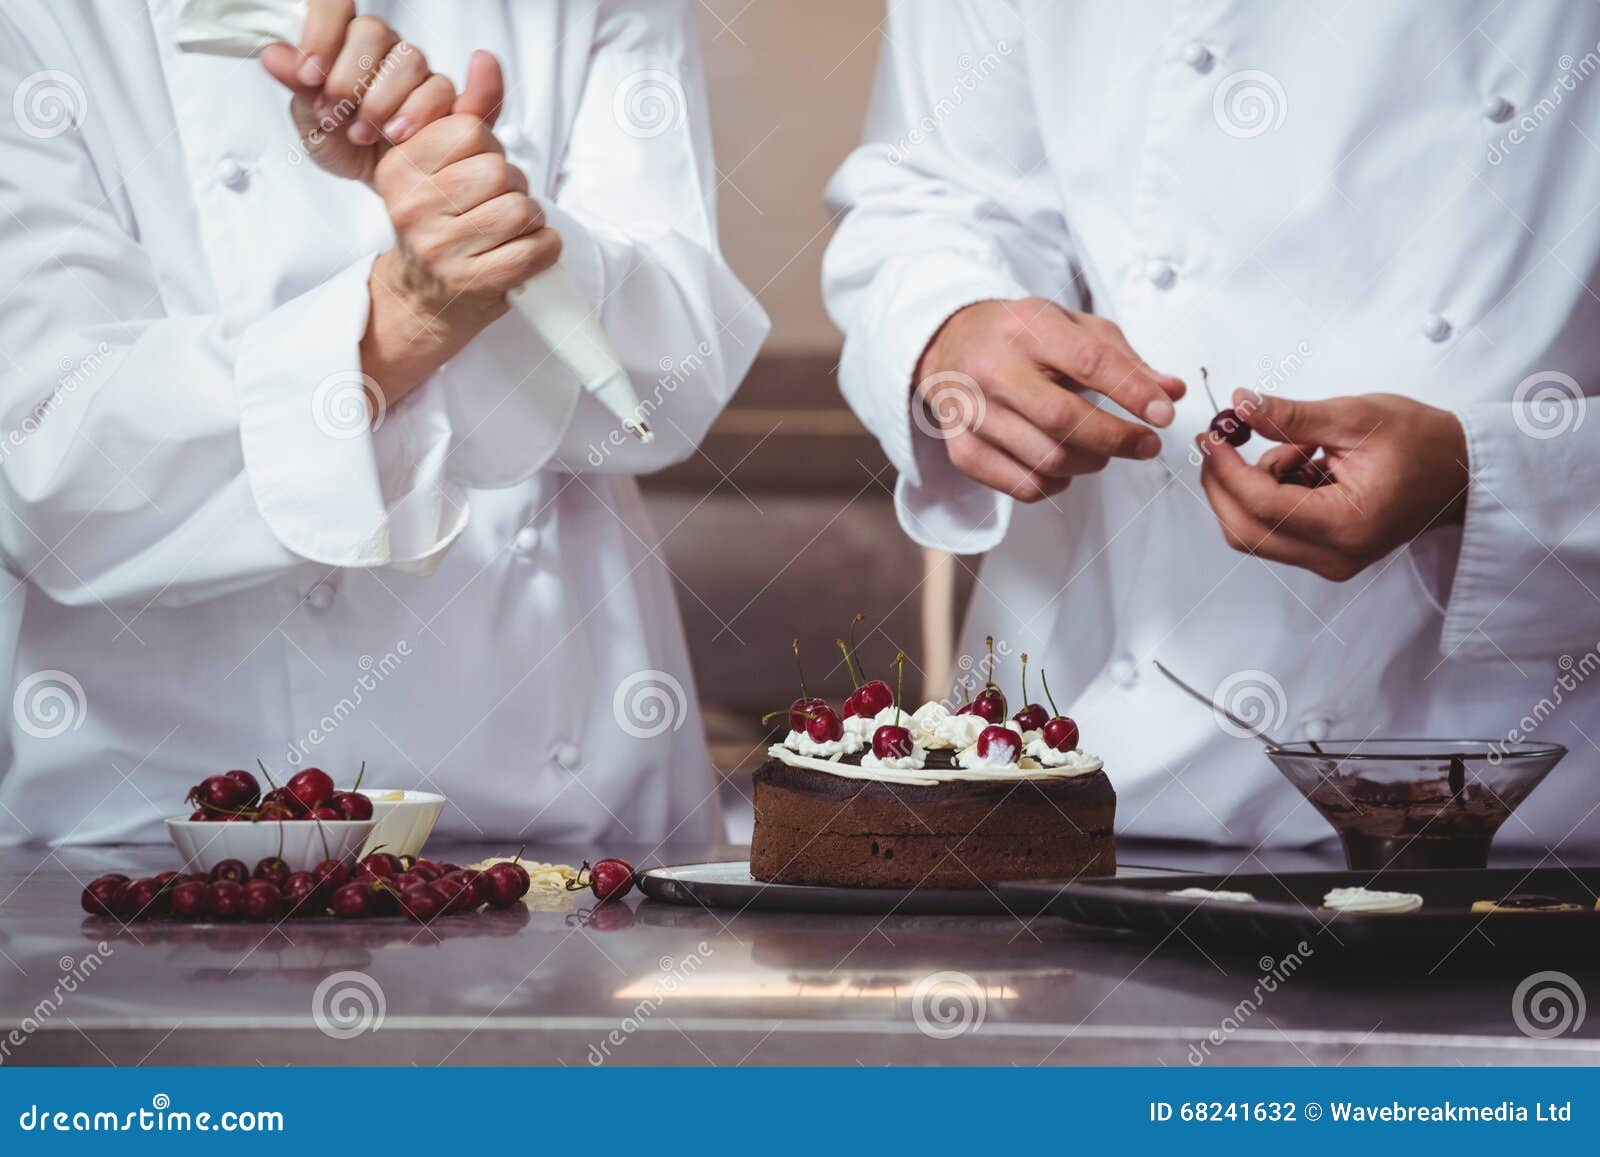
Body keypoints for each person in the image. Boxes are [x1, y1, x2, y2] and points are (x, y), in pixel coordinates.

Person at [822, 1, 1600, 850]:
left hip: (1534, 804)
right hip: (1086, 781)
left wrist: (1492, 475)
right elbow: (934, 189)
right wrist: (950, 321)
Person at [0, 0, 767, 844]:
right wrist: (392, 324)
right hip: (171, 832)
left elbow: (676, 384)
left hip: (577, 825)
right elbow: (45, 462)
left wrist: (503, 239)